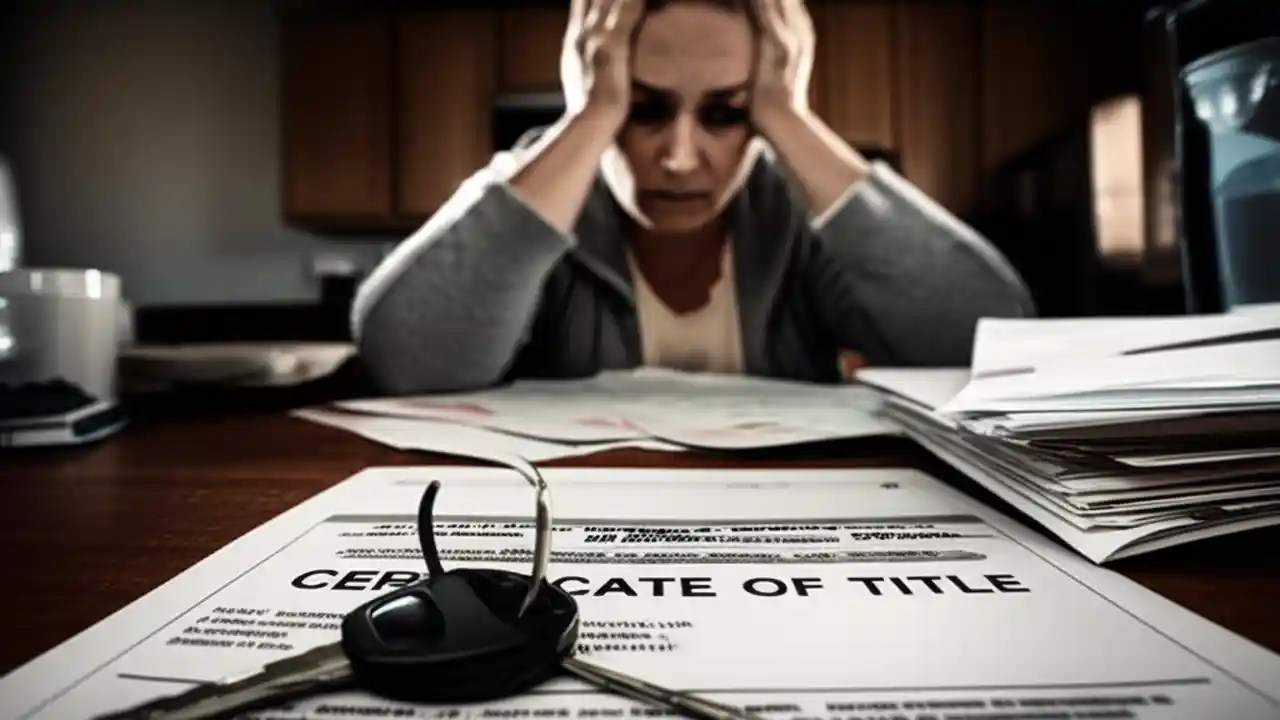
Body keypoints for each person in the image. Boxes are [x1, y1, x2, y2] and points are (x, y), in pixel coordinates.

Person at [352, 0, 1034, 394]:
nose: (679, 159)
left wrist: (789, 117)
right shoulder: (547, 195)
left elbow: (988, 341)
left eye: (726, 114)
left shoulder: (798, 211)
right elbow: (410, 360)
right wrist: (587, 117)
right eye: (642, 110)